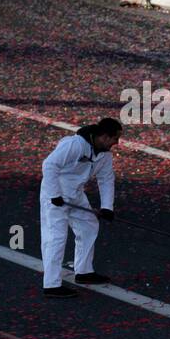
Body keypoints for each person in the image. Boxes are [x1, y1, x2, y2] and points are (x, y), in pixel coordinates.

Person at [40, 118, 122, 298]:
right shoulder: (74, 145)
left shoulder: (104, 155)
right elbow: (49, 165)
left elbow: (106, 179)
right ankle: (51, 285)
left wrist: (107, 207)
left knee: (88, 225)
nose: (117, 142)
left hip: (75, 194)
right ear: (104, 136)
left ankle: (84, 272)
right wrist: (54, 195)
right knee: (56, 237)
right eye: (115, 138)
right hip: (55, 196)